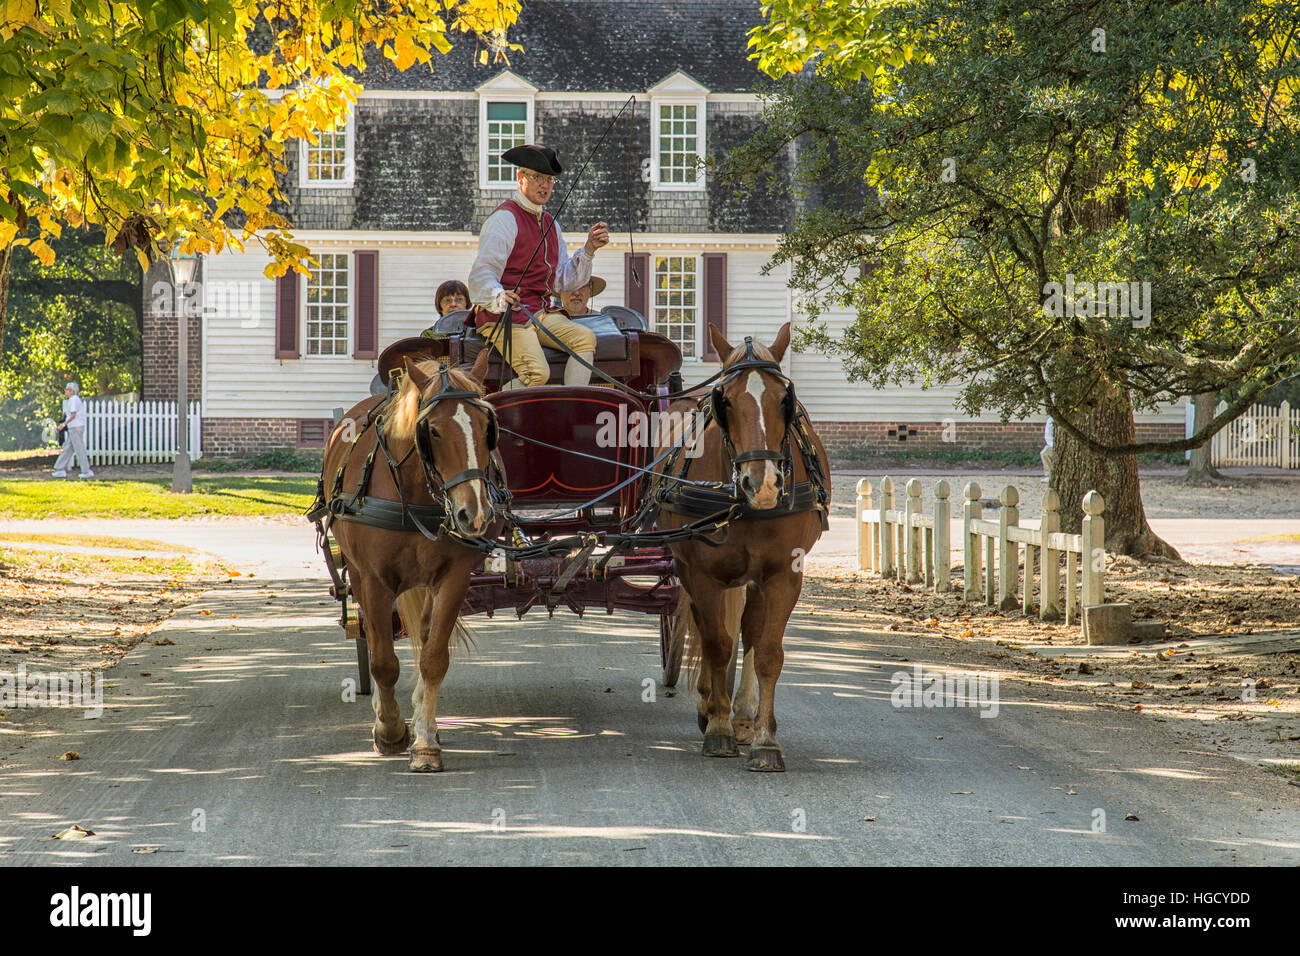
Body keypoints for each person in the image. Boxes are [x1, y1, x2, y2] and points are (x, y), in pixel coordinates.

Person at [467, 144, 609, 388]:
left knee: (585, 338)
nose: (544, 185)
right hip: (503, 315)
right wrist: (499, 296)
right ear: (520, 178)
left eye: (549, 179)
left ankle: (570, 408)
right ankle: (491, 413)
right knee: (537, 373)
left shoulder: (551, 224)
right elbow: (482, 274)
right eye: (537, 177)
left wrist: (589, 249)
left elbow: (561, 280)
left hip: (539, 312)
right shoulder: (505, 219)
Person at [51, 381, 93, 478]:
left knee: (79, 448)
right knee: (68, 448)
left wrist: (63, 425)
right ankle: (59, 469)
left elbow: (73, 415)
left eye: (68, 390)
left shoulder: (74, 400)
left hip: (76, 427)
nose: (66, 391)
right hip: (73, 427)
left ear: (72, 391)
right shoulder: (71, 400)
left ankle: (86, 471)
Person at [1041, 417, 1054, 482]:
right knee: (1045, 453)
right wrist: (1055, 446)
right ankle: (1049, 476)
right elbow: (1048, 436)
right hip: (1054, 445)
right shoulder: (1051, 420)